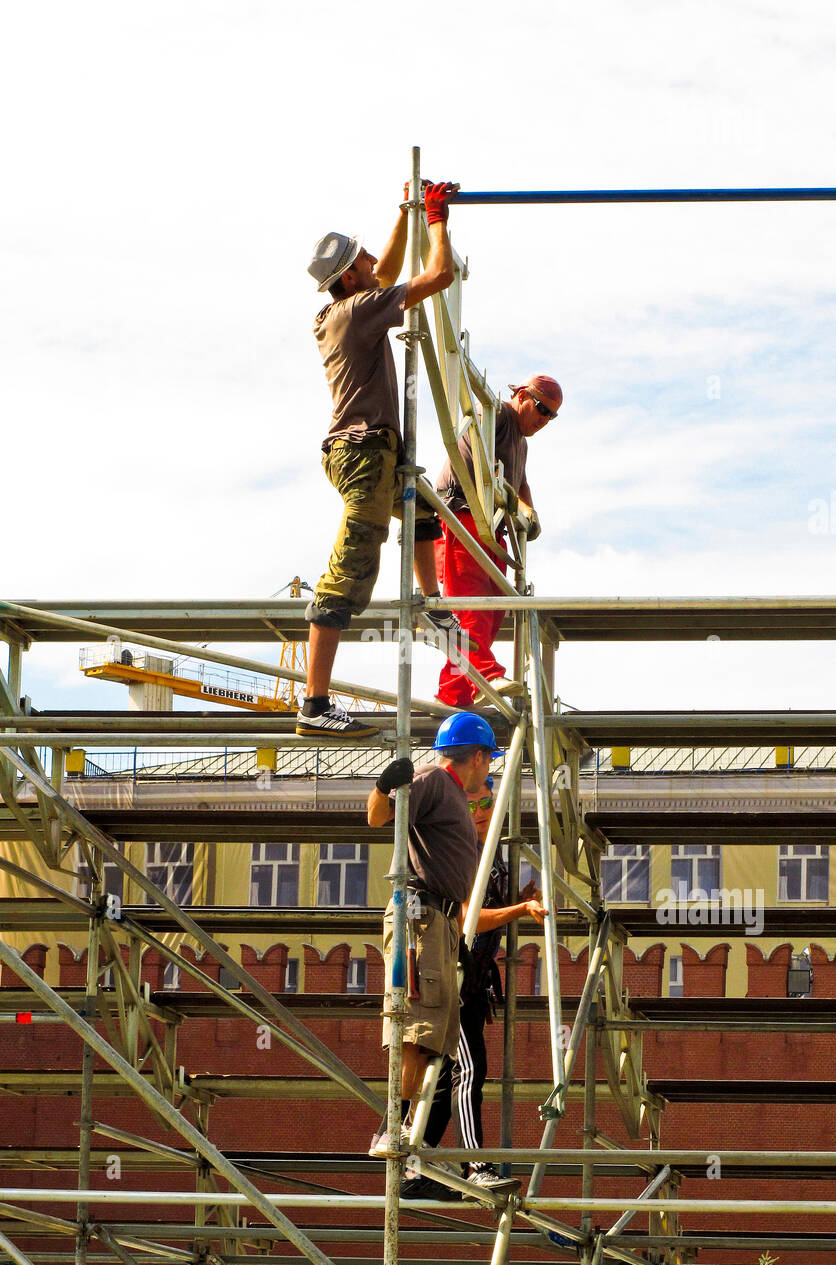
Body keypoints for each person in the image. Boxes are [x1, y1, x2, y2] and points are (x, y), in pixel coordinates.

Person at [299, 182, 475, 738]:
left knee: (422, 507)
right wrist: (437, 221)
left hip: (367, 450)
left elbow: (385, 270)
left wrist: (407, 213)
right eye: (365, 259)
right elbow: (437, 276)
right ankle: (315, 704)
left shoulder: (345, 308)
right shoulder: (362, 309)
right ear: (350, 277)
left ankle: (431, 601)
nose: (377, 260)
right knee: (350, 571)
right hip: (364, 452)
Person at [400, 776, 548, 1200]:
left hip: (472, 981)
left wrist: (514, 898)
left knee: (445, 1079)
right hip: (453, 978)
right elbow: (468, 918)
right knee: (468, 1069)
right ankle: (477, 1166)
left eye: (487, 802)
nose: (481, 812)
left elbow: (485, 909)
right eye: (471, 805)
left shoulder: (492, 852)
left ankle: (413, 1168)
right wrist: (519, 909)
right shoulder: (459, 850)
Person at [366, 712, 502, 1164]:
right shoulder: (434, 780)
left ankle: (406, 1130)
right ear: (479, 756)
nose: (489, 769)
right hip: (421, 918)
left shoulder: (453, 794)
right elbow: (377, 816)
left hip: (438, 921)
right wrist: (385, 786)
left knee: (433, 1036)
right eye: (489, 759)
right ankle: (392, 1128)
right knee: (417, 1030)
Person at [434, 374, 563, 709]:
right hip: (463, 516)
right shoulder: (497, 414)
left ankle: (455, 693)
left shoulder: (521, 442)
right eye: (541, 409)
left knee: (493, 608)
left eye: (552, 416)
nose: (544, 420)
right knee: (470, 602)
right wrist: (517, 505)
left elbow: (519, 483)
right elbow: (480, 453)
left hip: (489, 527)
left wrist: (529, 509)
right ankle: (485, 674)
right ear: (521, 395)